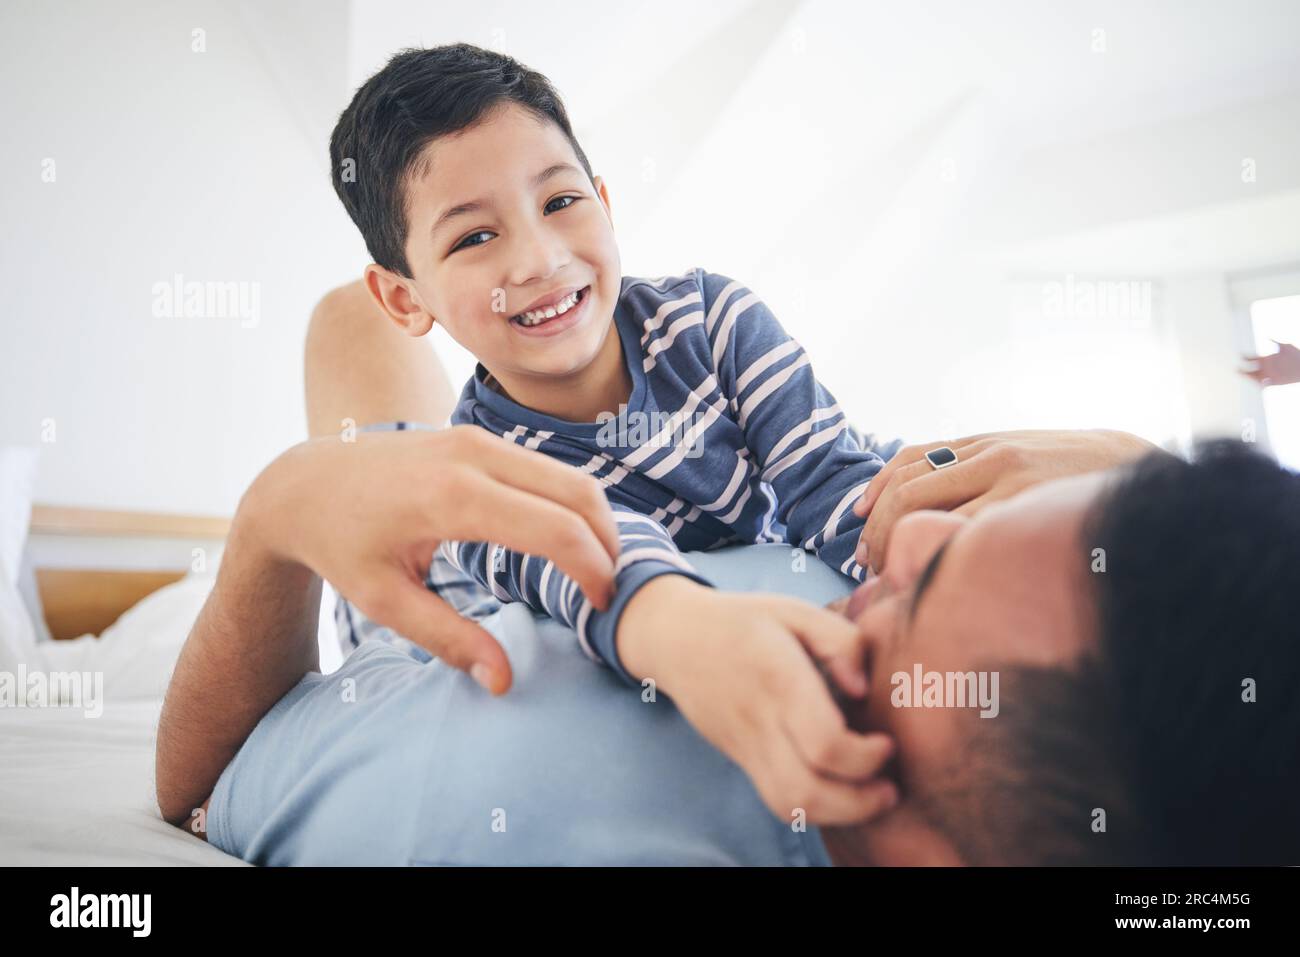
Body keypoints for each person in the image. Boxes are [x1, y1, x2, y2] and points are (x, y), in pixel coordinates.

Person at [155, 424, 1300, 864]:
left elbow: (201, 786)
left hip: (411, 617)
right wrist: (1132, 465)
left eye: (932, 583)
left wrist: (278, 513)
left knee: (352, 323)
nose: (913, 532)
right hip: (503, 557)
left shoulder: (498, 822)